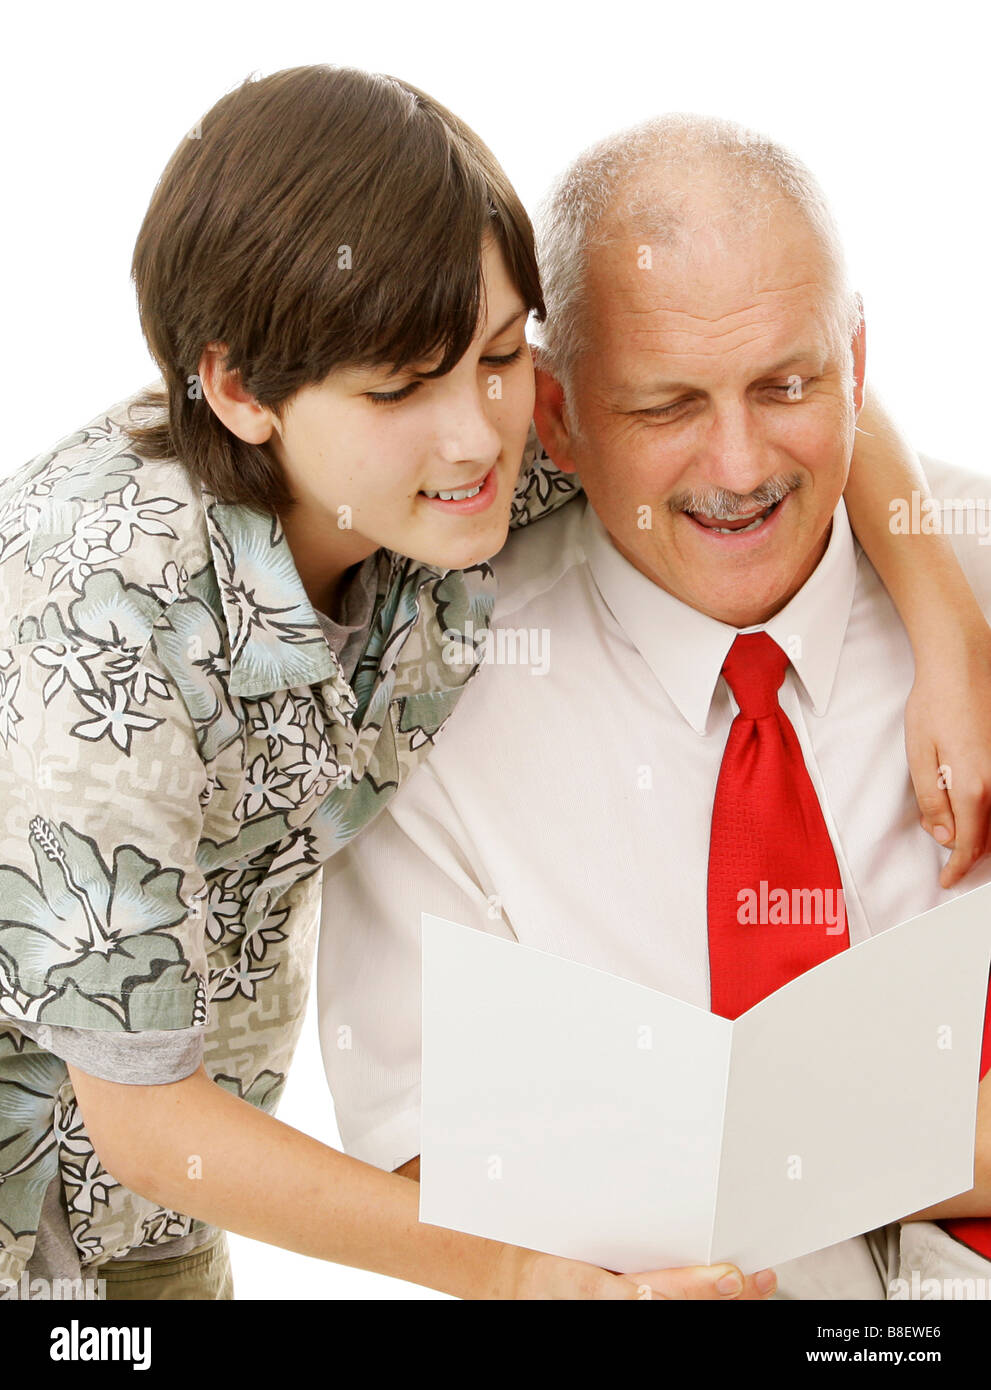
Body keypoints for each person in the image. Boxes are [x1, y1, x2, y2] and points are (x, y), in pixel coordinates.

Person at [0, 69, 985, 1304]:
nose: (475, 433)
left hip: (159, 1236)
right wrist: (527, 1275)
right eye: (400, 387)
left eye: (498, 356)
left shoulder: (468, 467)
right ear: (244, 392)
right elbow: (147, 1120)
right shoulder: (98, 623)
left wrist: (949, 626)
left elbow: (762, 358)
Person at [318, 112, 991, 1300]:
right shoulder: (430, 699)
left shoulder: (969, 575)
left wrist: (696, 1150)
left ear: (858, 368)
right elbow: (428, 1134)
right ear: (559, 417)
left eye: (785, 385)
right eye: (667, 407)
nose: (738, 468)